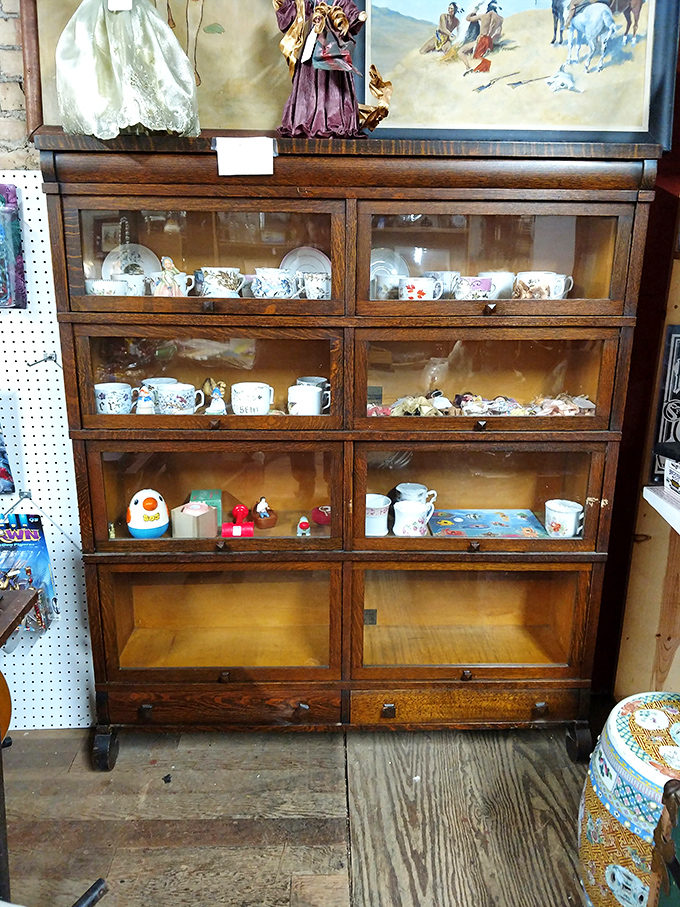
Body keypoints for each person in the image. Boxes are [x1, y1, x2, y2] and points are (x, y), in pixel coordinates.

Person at [274, 0, 367, 137]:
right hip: (314, 44)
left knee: (335, 85)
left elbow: (349, 13)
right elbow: (296, 14)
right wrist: (284, 5)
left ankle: (337, 122)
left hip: (333, 45)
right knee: (309, 83)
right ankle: (307, 120)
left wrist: (357, 18)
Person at [460, 0, 503, 74]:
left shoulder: (483, 16)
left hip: (481, 39)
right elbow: (498, 33)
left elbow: (468, 18)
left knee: (460, 51)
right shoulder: (500, 19)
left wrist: (475, 9)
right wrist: (491, 41)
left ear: (488, 8)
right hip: (490, 41)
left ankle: (468, 67)